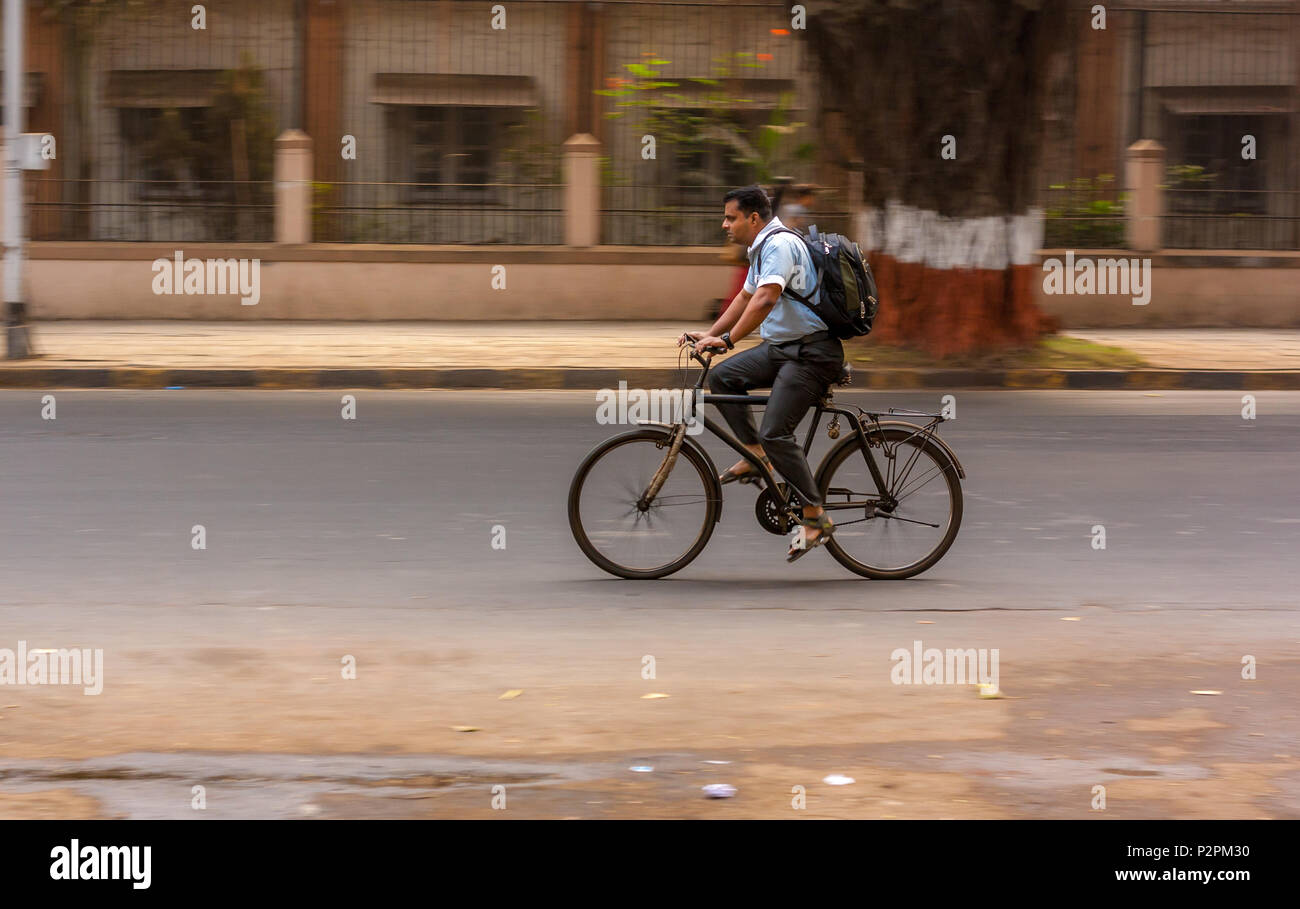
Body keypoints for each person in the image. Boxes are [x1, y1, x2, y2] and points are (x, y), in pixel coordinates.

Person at [676, 185, 844, 562]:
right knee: (722, 379)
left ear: (753, 218)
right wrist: (712, 335)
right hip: (785, 349)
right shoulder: (762, 247)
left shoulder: (779, 245)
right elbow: (744, 298)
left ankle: (816, 518)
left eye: (730, 217)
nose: (724, 224)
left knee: (775, 433)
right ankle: (756, 456)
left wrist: (730, 340)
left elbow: (766, 298)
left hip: (811, 354)